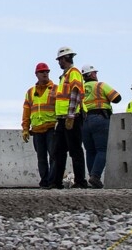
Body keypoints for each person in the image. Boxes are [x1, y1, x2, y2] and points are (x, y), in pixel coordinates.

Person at [50, 46, 87, 188]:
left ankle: (80, 181)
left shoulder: (73, 73)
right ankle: (56, 182)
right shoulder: (65, 76)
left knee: (75, 150)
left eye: (60, 60)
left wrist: (70, 116)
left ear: (64, 58)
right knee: (59, 152)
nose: (59, 62)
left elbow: (75, 93)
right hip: (63, 118)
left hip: (72, 117)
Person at [80, 65, 122, 188]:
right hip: (100, 118)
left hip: (84, 121)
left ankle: (92, 177)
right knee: (102, 150)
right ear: (92, 74)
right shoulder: (100, 85)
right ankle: (95, 176)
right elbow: (117, 98)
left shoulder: (80, 88)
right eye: (95, 73)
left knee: (90, 151)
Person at [21, 63, 58, 188]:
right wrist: (25, 129)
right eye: (42, 72)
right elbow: (26, 112)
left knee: (53, 155)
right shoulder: (31, 92)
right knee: (41, 157)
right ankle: (44, 181)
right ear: (36, 74)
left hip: (51, 127)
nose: (45, 74)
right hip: (37, 130)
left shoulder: (55, 89)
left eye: (47, 71)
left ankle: (52, 181)